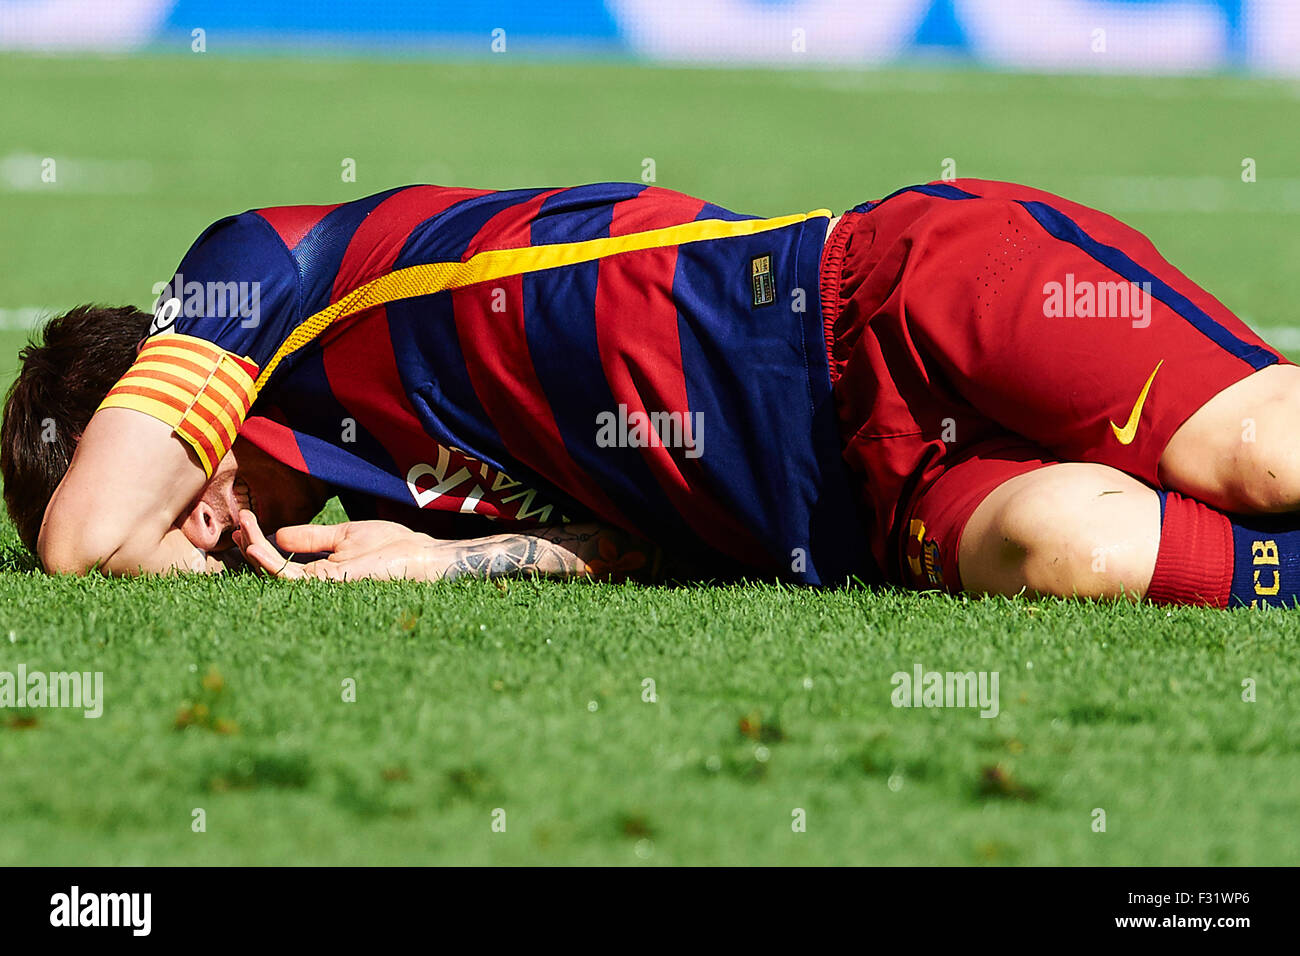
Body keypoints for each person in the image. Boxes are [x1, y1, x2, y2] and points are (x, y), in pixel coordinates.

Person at [5, 179, 1299, 607]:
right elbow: (634, 540)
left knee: (1259, 460)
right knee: (1071, 549)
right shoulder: (362, 518)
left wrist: (134, 515)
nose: (189, 542)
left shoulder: (259, 270)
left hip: (892, 290)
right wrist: (453, 562)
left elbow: (84, 542)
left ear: (161, 400)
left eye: (171, 493)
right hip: (869, 499)